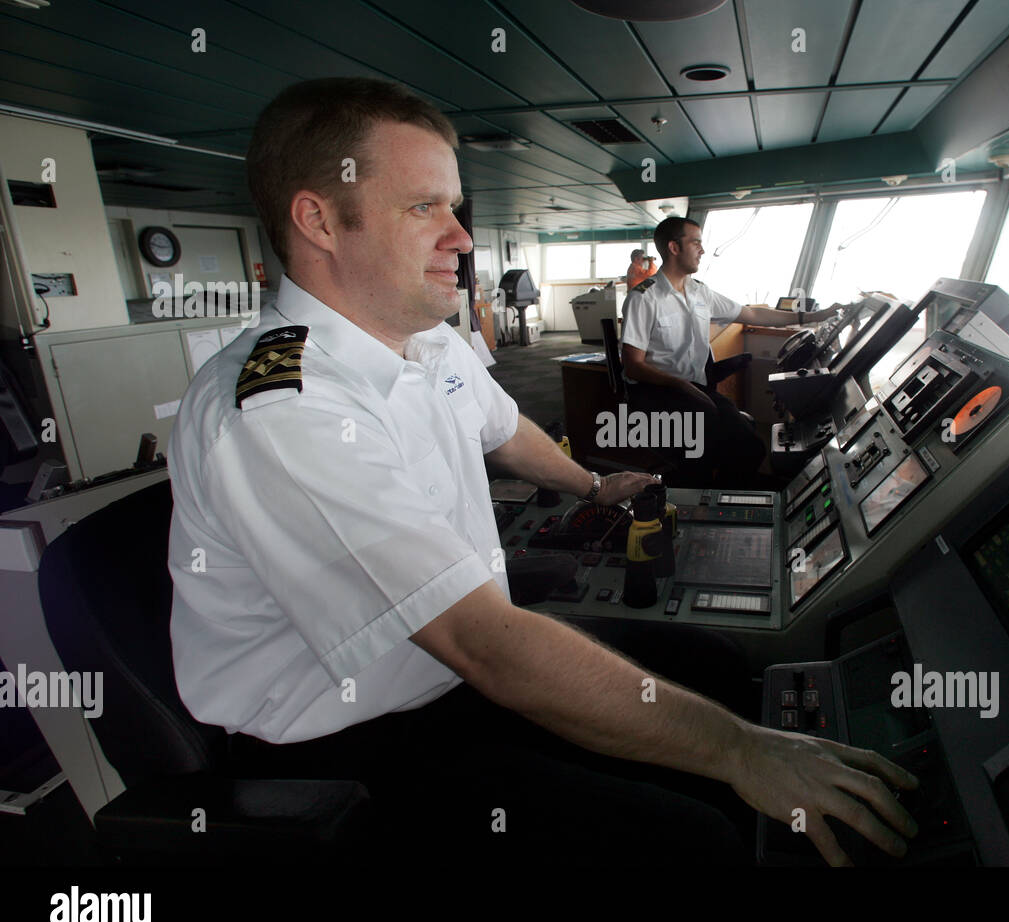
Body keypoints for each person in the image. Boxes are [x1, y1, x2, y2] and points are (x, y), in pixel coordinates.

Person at [167, 77, 917, 866]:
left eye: (454, 208)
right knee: (695, 838)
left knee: (713, 667)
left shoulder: (424, 340)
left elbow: (506, 430)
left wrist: (593, 487)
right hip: (351, 746)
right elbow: (483, 643)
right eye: (423, 207)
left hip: (455, 668)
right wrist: (741, 753)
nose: (460, 237)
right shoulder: (281, 409)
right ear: (318, 218)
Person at [621, 217, 842, 487]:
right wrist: (679, 383)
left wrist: (815, 315)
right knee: (715, 451)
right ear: (674, 248)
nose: (702, 250)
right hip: (659, 396)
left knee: (751, 447)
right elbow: (632, 365)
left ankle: (725, 500)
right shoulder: (643, 297)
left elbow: (751, 313)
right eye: (696, 243)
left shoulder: (699, 292)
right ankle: (699, 499)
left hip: (695, 391)